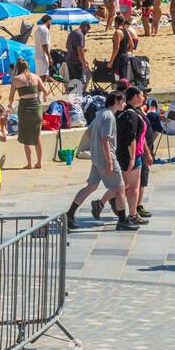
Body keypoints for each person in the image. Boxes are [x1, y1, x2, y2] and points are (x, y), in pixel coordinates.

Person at [65, 91, 136, 231]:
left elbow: (88, 132)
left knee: (91, 186)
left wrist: (95, 148)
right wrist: (109, 161)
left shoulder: (100, 114)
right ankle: (122, 221)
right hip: (106, 158)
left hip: (97, 158)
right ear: (116, 101)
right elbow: (105, 140)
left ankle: (69, 215)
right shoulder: (109, 117)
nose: (124, 104)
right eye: (123, 101)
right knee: (120, 188)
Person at [115, 86, 150, 227]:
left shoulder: (128, 113)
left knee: (125, 186)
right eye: (141, 95)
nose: (143, 98)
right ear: (135, 96)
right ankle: (131, 215)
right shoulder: (131, 114)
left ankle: (130, 214)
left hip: (129, 154)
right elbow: (131, 138)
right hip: (130, 155)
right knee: (131, 186)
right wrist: (133, 158)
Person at [10, 58, 45, 170]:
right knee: (37, 135)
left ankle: (29, 163)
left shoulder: (16, 79)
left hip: (24, 107)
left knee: (26, 136)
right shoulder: (36, 76)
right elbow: (45, 90)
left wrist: (10, 105)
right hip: (36, 106)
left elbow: (10, 97)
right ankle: (39, 162)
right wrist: (41, 96)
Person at [65, 20, 90, 86]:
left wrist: (74, 51)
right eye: (87, 30)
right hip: (76, 61)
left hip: (69, 59)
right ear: (85, 27)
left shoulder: (72, 33)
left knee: (72, 80)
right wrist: (84, 63)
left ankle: (71, 95)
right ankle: (78, 95)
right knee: (79, 81)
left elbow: (67, 46)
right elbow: (80, 50)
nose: (86, 32)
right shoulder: (80, 35)